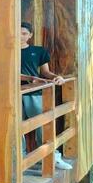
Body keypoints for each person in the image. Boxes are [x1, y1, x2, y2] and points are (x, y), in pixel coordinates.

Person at [20, 22, 72, 170]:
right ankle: (19, 158)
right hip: (11, 94)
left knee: (43, 125)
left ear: (30, 35)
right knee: (15, 127)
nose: (20, 36)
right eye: (17, 32)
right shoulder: (6, 51)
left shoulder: (38, 51)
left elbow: (45, 72)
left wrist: (57, 77)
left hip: (34, 93)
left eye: (24, 33)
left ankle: (51, 157)